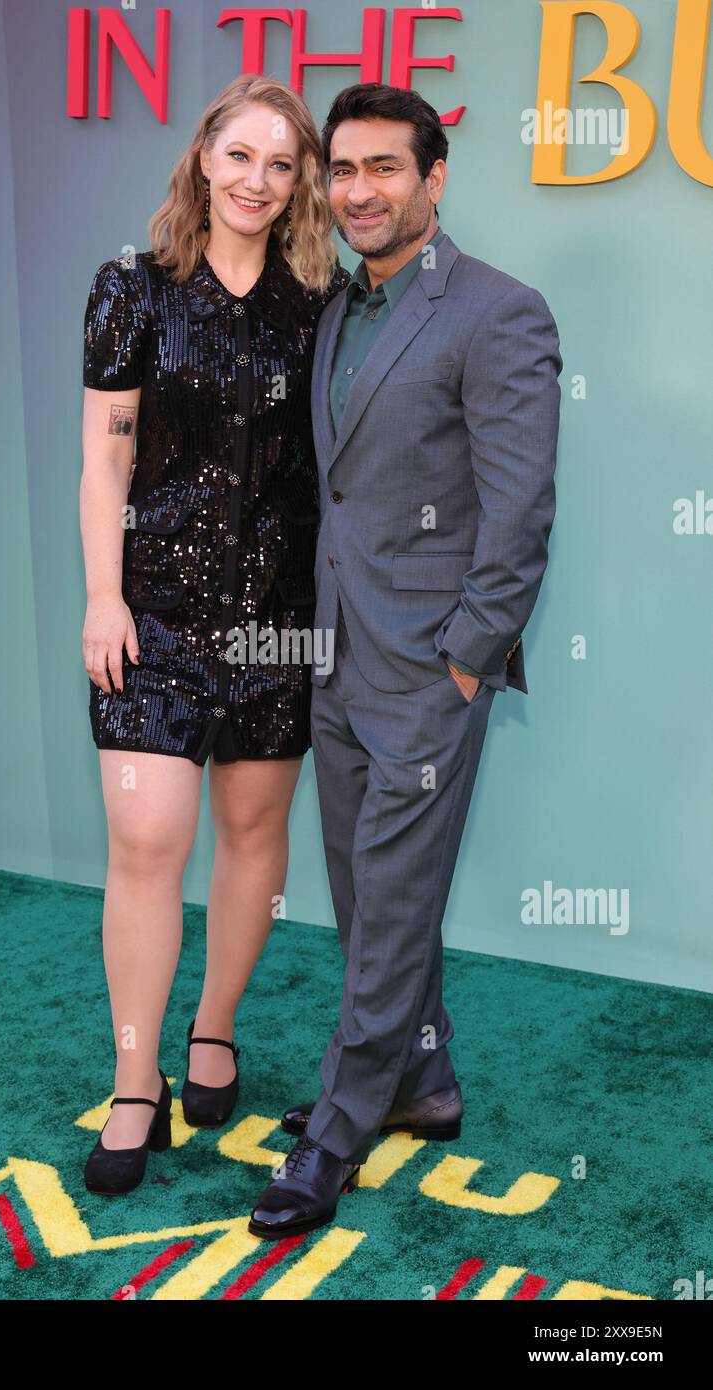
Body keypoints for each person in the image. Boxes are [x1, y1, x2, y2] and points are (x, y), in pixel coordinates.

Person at [249, 82, 562, 1238]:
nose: (357, 191)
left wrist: (466, 664)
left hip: (430, 670)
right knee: (366, 891)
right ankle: (421, 1081)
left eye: (384, 168)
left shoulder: (498, 311)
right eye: (341, 169)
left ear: (433, 179)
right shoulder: (341, 307)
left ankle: (335, 1131)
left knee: (384, 903)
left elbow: (519, 511)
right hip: (339, 661)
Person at [79, 74, 349, 1196]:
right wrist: (104, 597)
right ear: (203, 160)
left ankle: (214, 1029)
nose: (255, 180)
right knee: (145, 843)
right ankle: (134, 1080)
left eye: (280, 165)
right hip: (154, 616)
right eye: (238, 156)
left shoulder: (321, 307)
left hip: (281, 622)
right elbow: (106, 455)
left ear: (298, 188)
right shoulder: (132, 291)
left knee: (251, 837)